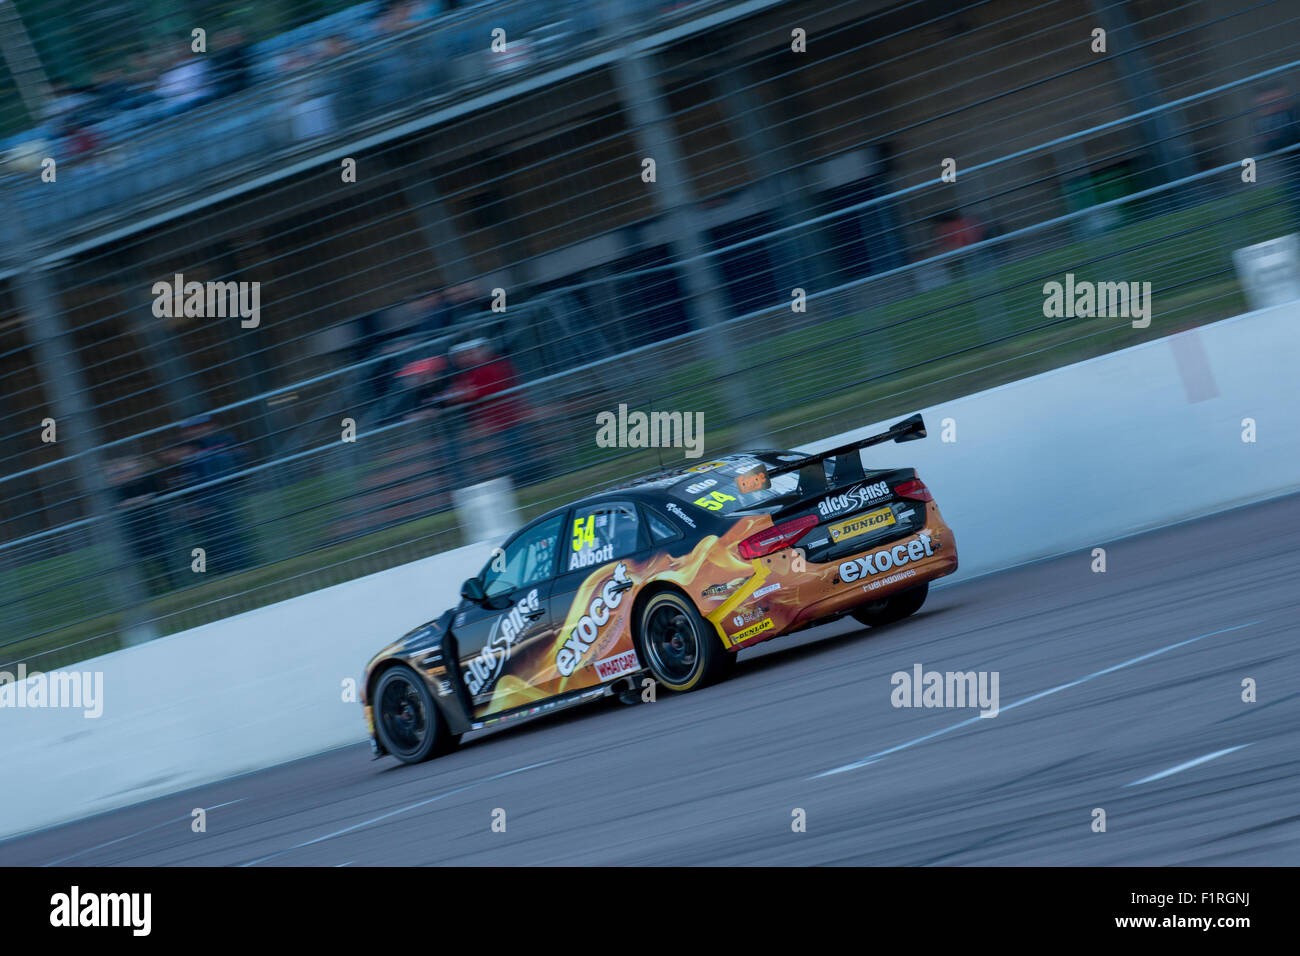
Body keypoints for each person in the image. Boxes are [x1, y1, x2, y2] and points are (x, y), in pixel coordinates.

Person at [174, 416, 256, 572]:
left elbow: (235, 465)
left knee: (229, 536)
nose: (194, 432)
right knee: (210, 541)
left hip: (222, 499)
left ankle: (239, 567)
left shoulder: (224, 441)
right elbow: (190, 478)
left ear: (211, 426)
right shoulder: (190, 450)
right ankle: (217, 570)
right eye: (190, 430)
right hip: (203, 503)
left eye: (199, 427)